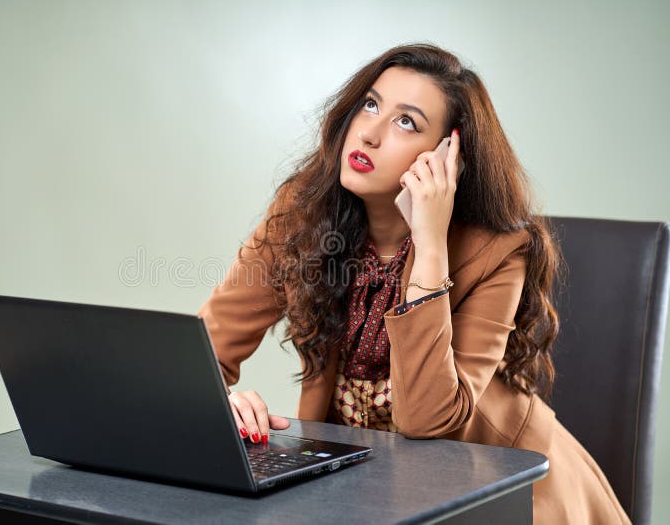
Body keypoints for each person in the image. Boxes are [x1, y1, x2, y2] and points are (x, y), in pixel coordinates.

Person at [196, 43, 629, 524]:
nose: (370, 132)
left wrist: (430, 245)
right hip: (372, 492)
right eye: (371, 104)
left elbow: (428, 422)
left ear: (449, 156)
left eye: (407, 122)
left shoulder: (498, 252)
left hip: (506, 495)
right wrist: (223, 403)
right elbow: (200, 356)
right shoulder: (301, 216)